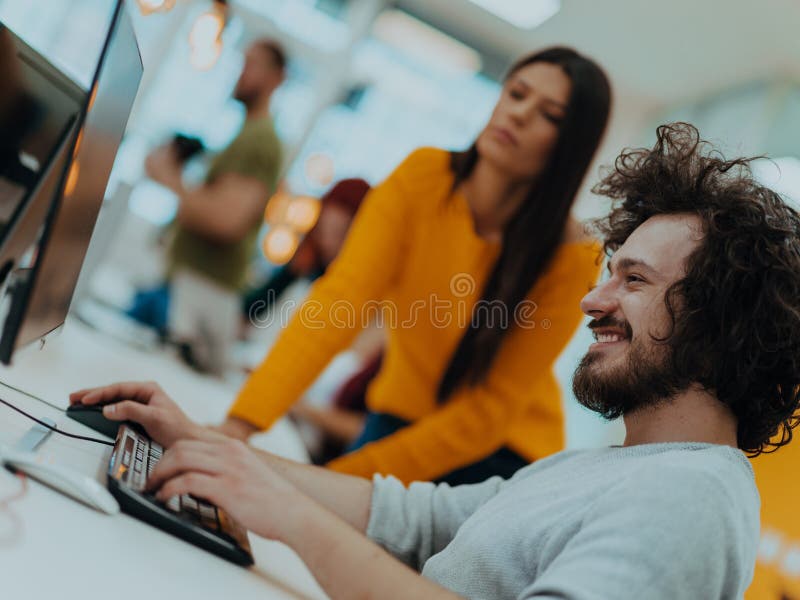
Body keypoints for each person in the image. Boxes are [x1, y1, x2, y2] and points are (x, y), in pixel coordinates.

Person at [70, 123, 800, 598]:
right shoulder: (612, 467)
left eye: (633, 280)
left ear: (718, 322)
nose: (591, 300)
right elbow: (410, 519)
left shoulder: (690, 498)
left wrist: (285, 513)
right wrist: (204, 443)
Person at [217, 46, 613, 484]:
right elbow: (340, 301)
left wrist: (330, 481)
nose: (519, 114)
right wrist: (240, 425)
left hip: (500, 456)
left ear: (570, 147)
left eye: (550, 115)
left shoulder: (572, 255)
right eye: (517, 93)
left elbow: (487, 412)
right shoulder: (423, 177)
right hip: (396, 416)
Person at [136, 39, 286, 372]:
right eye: (241, 62)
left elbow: (226, 221)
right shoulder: (246, 134)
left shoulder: (261, 139)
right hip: (189, 284)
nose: (240, 72)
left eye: (252, 65)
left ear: (277, 79)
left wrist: (169, 178)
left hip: (201, 291)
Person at [243, 177, 371, 324]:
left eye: (339, 234)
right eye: (323, 232)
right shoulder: (304, 264)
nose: (327, 243)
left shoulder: (350, 289)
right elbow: (257, 304)